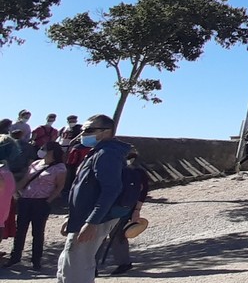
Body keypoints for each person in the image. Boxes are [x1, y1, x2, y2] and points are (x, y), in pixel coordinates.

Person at [56, 114, 130, 283]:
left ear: (106, 132)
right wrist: (72, 216)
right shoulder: (97, 152)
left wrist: (92, 222)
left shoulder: (107, 153)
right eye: (83, 129)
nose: (83, 133)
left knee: (77, 267)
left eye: (89, 130)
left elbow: (112, 190)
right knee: (68, 262)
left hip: (93, 220)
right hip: (83, 218)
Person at [7, 141, 66, 270]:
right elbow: (25, 180)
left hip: (41, 202)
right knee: (20, 230)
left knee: (38, 232)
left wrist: (48, 200)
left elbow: (59, 186)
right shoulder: (35, 164)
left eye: (43, 148)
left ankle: (36, 260)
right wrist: (15, 192)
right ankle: (15, 257)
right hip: (26, 199)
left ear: (51, 151)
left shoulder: (60, 168)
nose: (41, 150)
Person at [97, 148, 148, 276]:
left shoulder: (111, 169)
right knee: (119, 236)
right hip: (125, 208)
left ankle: (92, 266)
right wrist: (136, 210)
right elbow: (143, 192)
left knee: (99, 236)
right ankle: (123, 263)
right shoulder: (139, 172)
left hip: (106, 207)